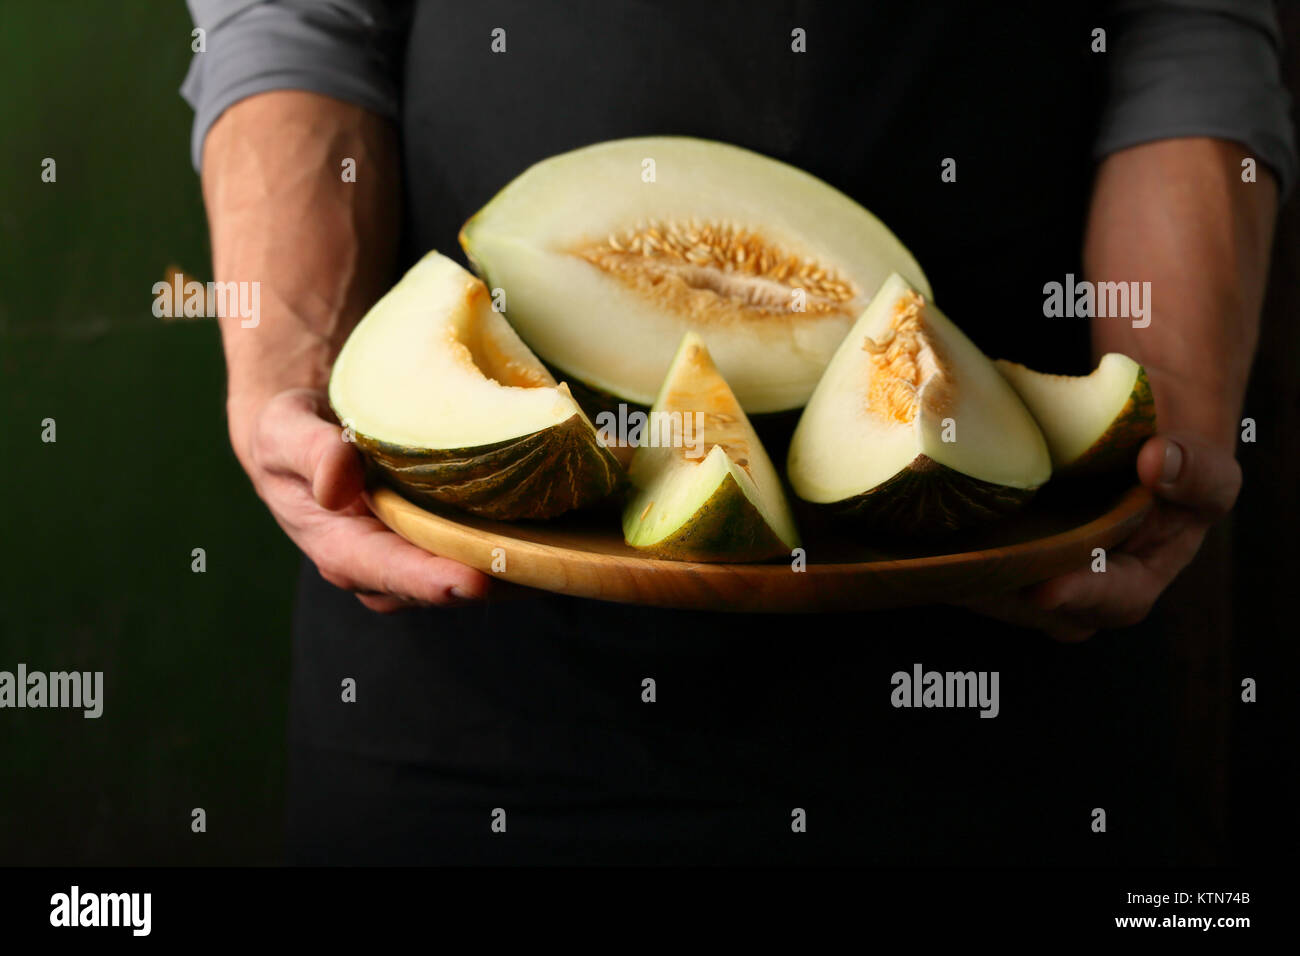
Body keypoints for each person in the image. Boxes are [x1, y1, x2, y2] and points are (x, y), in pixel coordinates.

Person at [182, 0, 1295, 864]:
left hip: (1008, 641)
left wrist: (1165, 409)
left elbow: (1188, 15)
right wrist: (293, 368)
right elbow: (302, 12)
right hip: (469, 668)